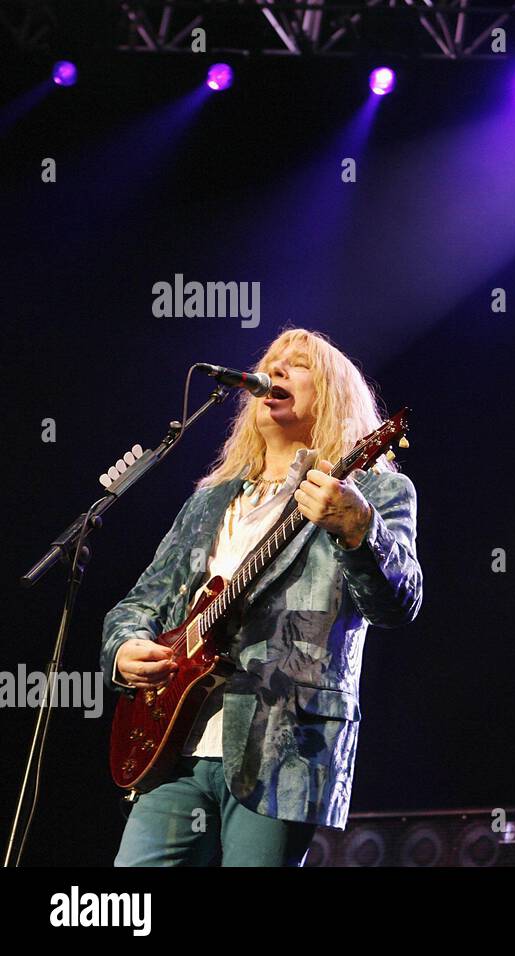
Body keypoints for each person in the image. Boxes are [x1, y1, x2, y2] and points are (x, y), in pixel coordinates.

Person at [102, 328, 422, 866]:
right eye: (271, 362)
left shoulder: (375, 491)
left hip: (283, 748)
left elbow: (398, 604)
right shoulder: (210, 501)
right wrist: (124, 647)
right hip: (173, 746)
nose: (275, 371)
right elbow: (141, 601)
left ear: (334, 395)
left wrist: (359, 527)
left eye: (297, 365)